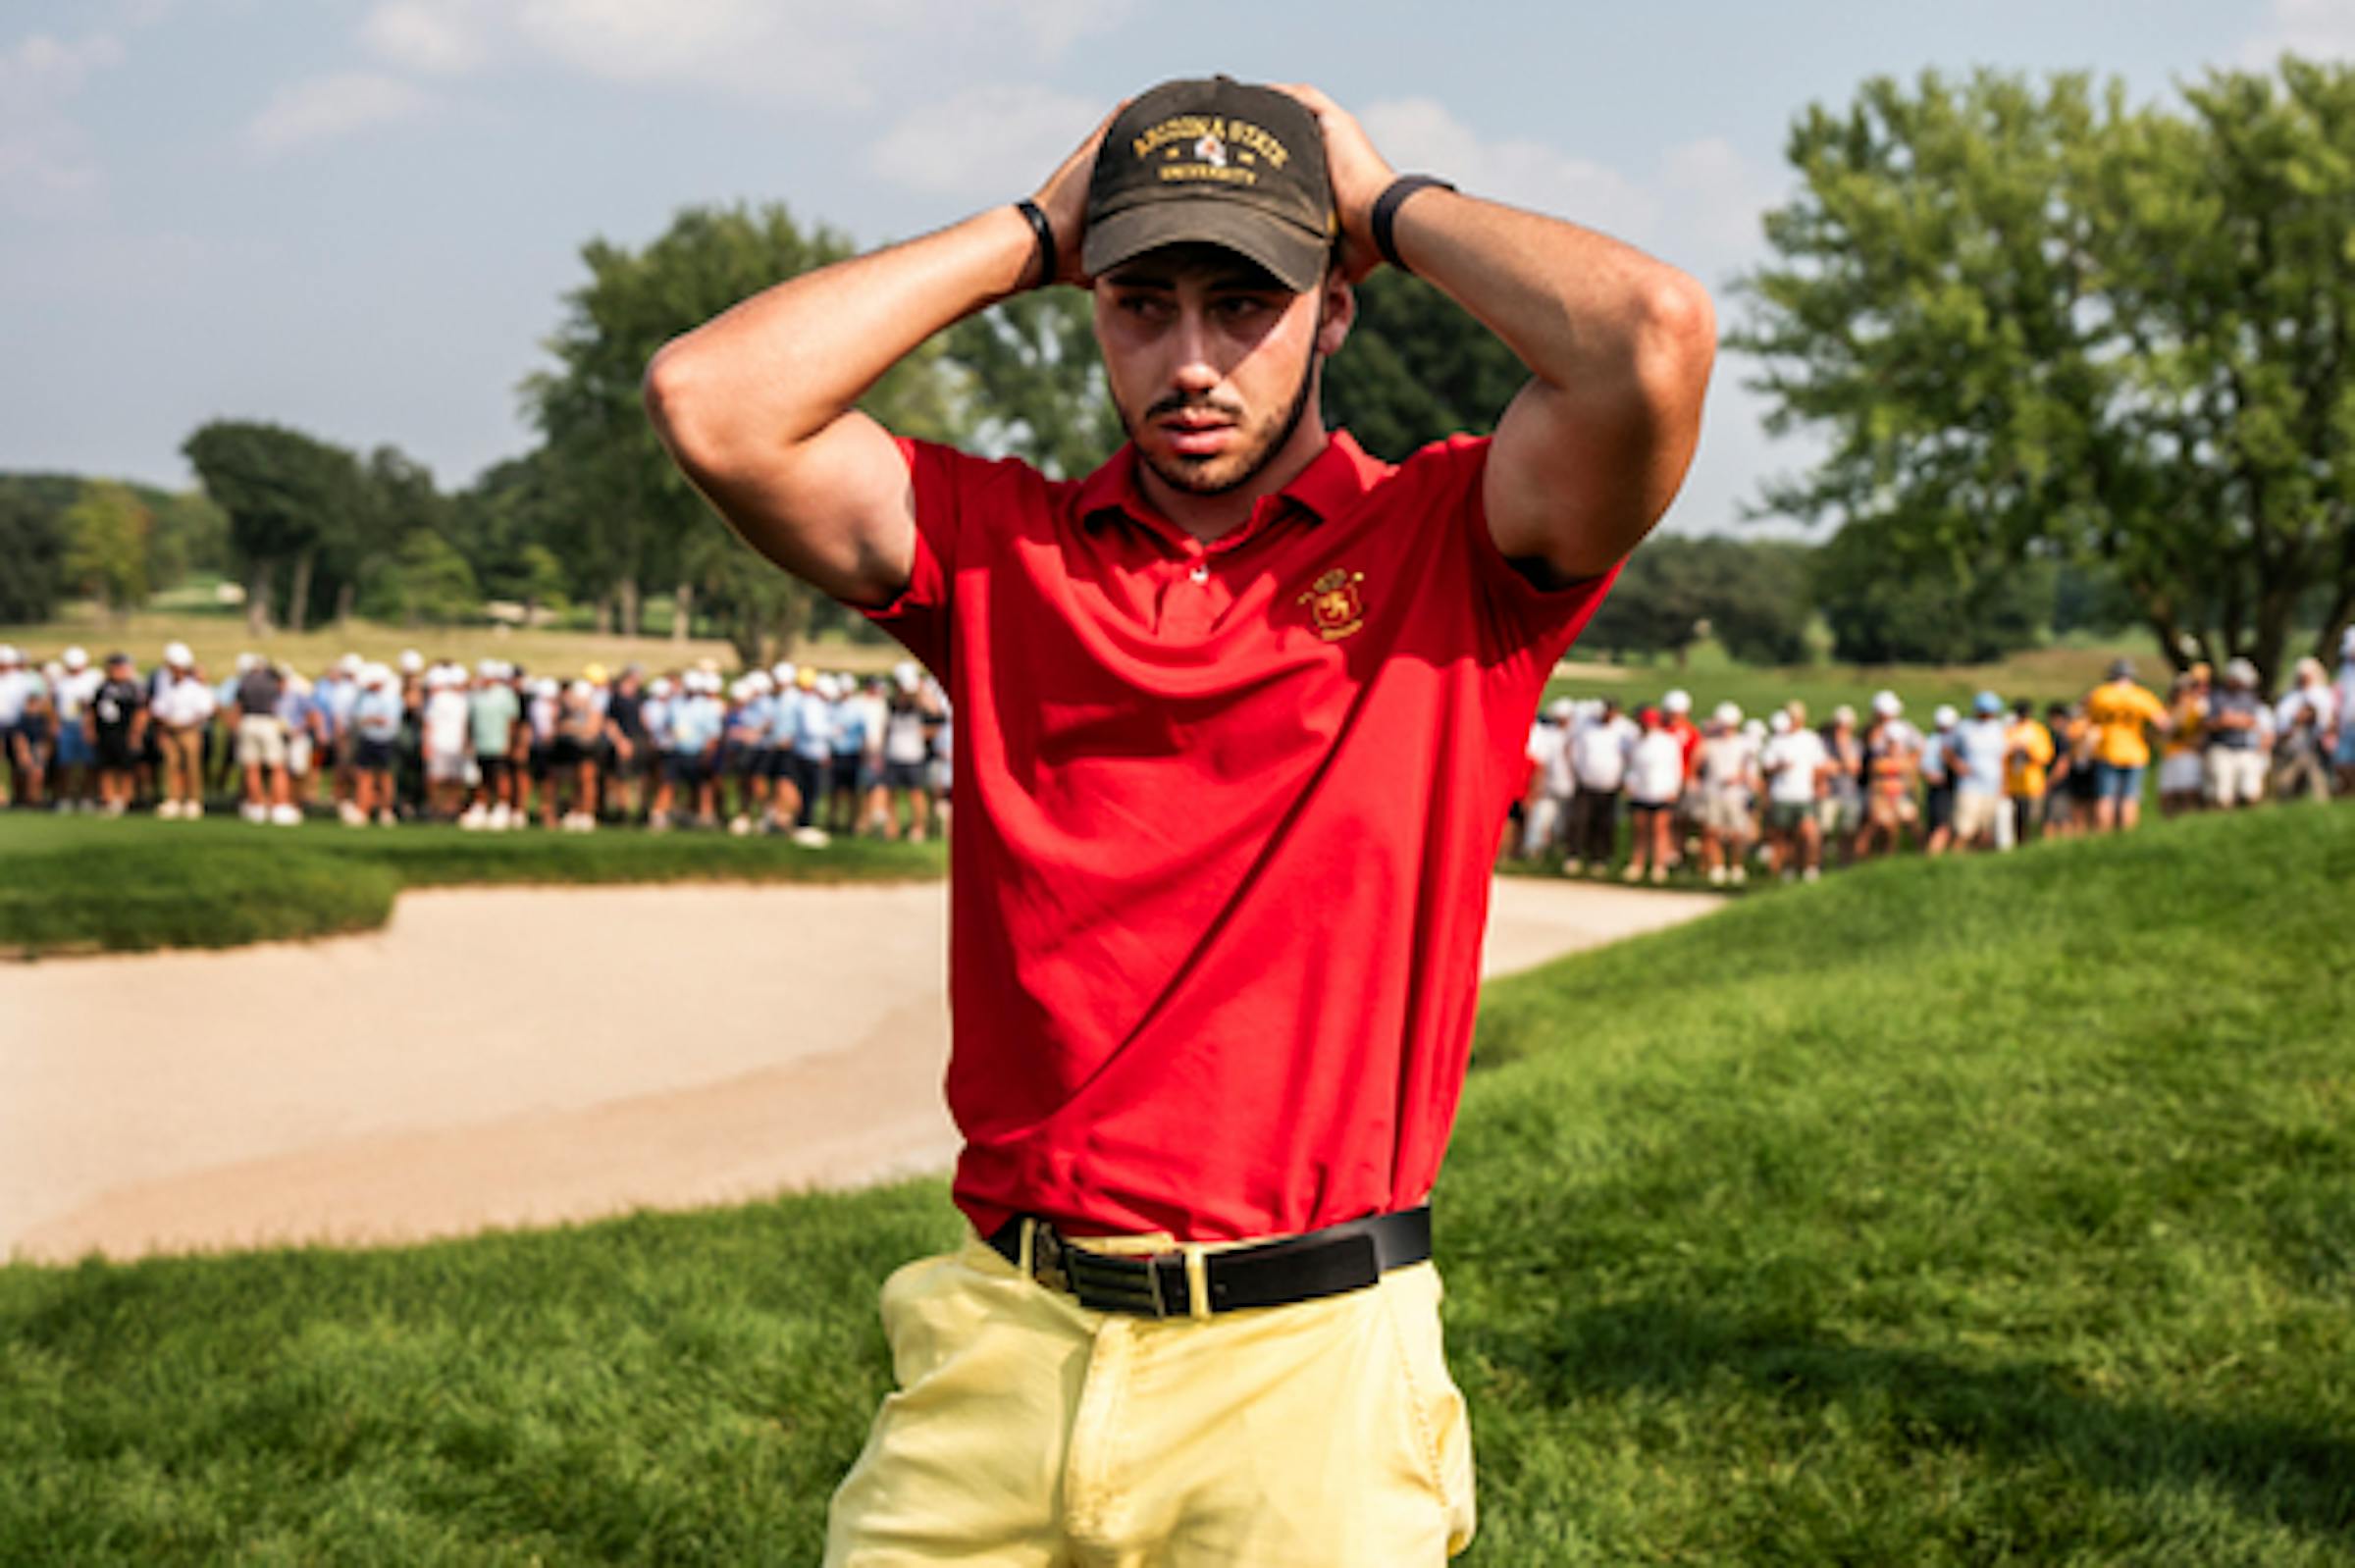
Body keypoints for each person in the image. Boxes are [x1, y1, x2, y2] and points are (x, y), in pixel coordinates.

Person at [645, 74, 1711, 1562]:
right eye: (1142, 303)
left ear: (1334, 311)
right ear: (1089, 303)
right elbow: (716, 400)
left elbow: (1649, 340)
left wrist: (1389, 207)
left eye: (1247, 304)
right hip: (1001, 1344)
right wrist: (1032, 226)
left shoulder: (1446, 545)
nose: (1191, 359)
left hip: (1308, 1371)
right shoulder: (1000, 546)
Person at [2082, 657, 2171, 832]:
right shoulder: (2142, 695)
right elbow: (2164, 724)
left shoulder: (2101, 694)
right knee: (2129, 798)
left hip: (2107, 750)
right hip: (2136, 751)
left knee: (2105, 797)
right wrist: (2150, 737)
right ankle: (2127, 835)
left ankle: (2103, 836)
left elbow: (2086, 717)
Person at [1759, 708, 1829, 880]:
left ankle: (1809, 868)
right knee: (1784, 837)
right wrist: (1779, 767)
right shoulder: (1776, 741)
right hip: (1781, 796)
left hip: (1804, 795)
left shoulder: (1810, 739)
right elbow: (1766, 768)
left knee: (1809, 833)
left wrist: (1820, 784)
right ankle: (1787, 869)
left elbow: (1819, 766)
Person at [1567, 696, 1635, 873]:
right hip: (1585, 782)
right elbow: (1573, 748)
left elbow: (1631, 756)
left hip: (1610, 785)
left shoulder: (1626, 729)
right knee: (1580, 821)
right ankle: (1574, 855)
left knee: (1604, 823)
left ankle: (1600, 858)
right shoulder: (1585, 726)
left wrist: (1625, 779)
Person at [1693, 701, 1756, 885]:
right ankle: (1717, 867)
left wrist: (1739, 778)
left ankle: (1736, 866)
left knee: (1737, 835)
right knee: (1712, 831)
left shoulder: (1743, 744)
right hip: (1713, 793)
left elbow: (1749, 770)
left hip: (1735, 795)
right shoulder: (1709, 743)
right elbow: (1696, 762)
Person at [150, 643, 215, 818]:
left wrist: (187, 724)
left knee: (191, 766)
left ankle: (193, 801)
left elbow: (205, 710)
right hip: (170, 730)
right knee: (171, 766)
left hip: (189, 731)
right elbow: (158, 708)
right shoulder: (167, 686)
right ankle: (173, 799)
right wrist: (165, 724)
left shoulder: (195, 687)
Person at [1623, 705, 1686, 884]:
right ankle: (1637, 863)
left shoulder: (1668, 741)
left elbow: (1675, 767)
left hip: (1662, 790)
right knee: (1640, 830)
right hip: (1640, 791)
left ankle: (1659, 865)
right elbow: (1632, 767)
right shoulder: (1635, 742)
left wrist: (1674, 789)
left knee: (1660, 830)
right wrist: (1629, 784)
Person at [1948, 692, 2011, 853]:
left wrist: (2004, 784)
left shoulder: (1998, 729)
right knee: (1964, 829)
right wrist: (1958, 765)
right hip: (1970, 786)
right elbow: (1947, 750)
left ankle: (1973, 859)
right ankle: (1955, 857)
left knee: (1984, 831)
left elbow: (2002, 759)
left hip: (1992, 786)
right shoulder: (1964, 728)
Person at [2157, 665, 2210, 816]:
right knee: (2168, 795)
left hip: (2189, 754)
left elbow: (2201, 730)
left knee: (2188, 792)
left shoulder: (2198, 707)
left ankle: (2190, 822)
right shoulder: (2169, 708)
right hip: (2170, 754)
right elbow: (2165, 731)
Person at [2003, 699, 2055, 847]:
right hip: (2012, 784)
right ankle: (2019, 845)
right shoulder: (2009, 730)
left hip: (2032, 784)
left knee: (2032, 819)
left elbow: (2044, 757)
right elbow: (2001, 755)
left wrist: (2027, 750)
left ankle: (2033, 845)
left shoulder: (2038, 730)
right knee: (2015, 821)